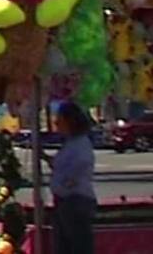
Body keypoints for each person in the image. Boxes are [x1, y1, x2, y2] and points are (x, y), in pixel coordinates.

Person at [49, 101, 97, 254]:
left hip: (75, 200)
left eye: (60, 120)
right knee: (65, 246)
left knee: (78, 246)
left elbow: (80, 165)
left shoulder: (80, 143)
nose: (56, 124)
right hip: (65, 200)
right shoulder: (71, 143)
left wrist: (66, 184)